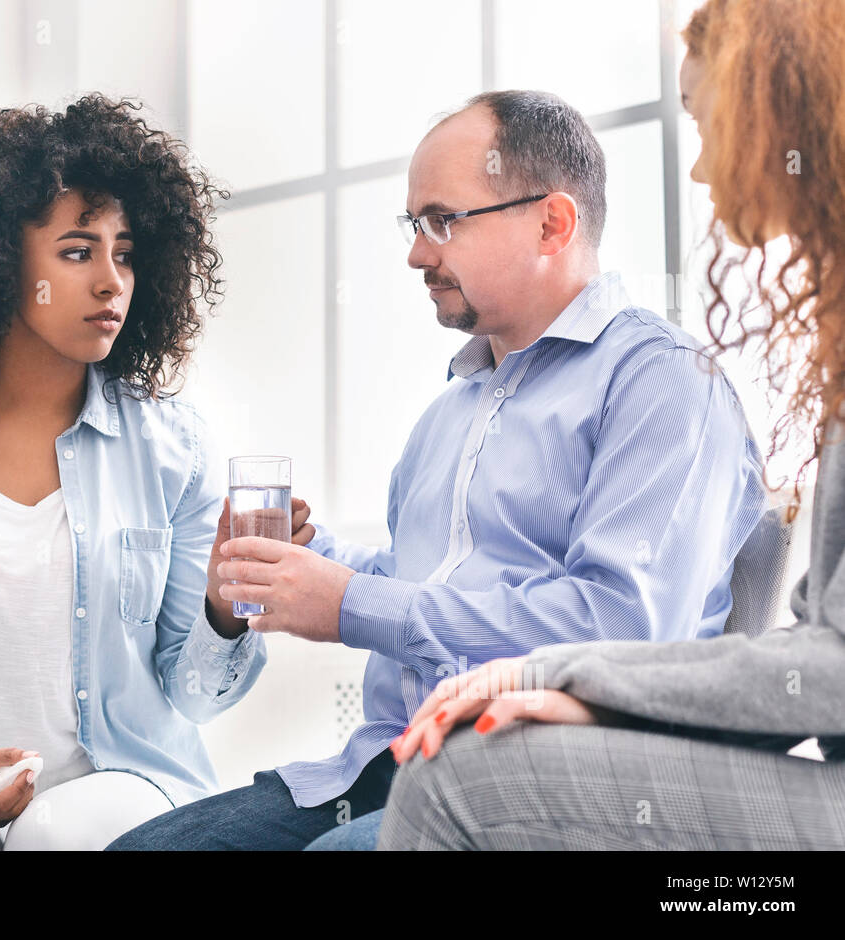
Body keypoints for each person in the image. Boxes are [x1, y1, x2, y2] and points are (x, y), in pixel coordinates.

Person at [108, 88, 767, 851]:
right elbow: (424, 580)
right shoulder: (451, 412)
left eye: (442, 221)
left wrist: (351, 603)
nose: (418, 254)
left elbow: (619, 631)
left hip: (561, 777)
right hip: (397, 759)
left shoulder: (664, 381)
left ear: (552, 223)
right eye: (414, 225)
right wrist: (305, 565)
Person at [376, 0, 845, 851]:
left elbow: (826, 675)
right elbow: (819, 658)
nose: (700, 168)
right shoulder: (450, 409)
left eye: (709, 125)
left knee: (453, 782)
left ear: (786, 116)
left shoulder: (656, 376)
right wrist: (594, 696)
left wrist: (574, 678)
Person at [0, 95, 287, 850]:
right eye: (78, 252)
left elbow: (197, 698)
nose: (112, 281)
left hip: (127, 782)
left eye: (125, 253)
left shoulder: (175, 448)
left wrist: (224, 609)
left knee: (55, 831)